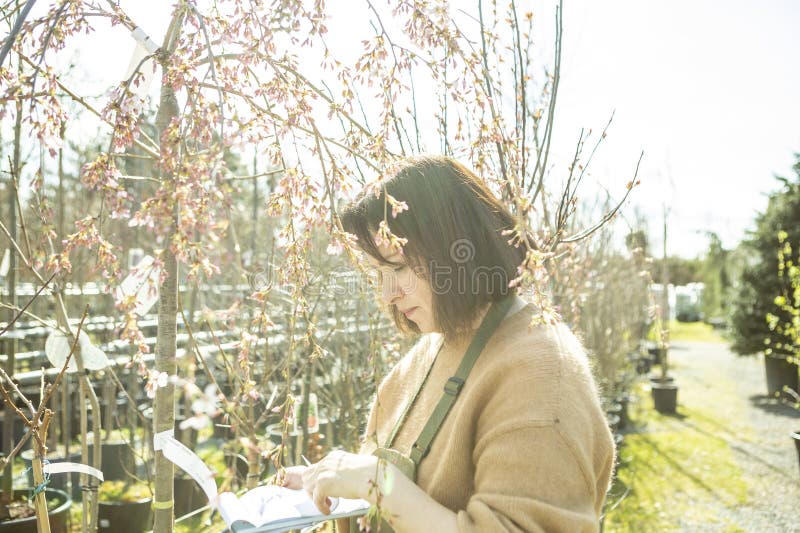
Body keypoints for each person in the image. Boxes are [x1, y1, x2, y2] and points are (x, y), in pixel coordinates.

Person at [279, 155, 616, 532]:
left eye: (399, 267)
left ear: (458, 249)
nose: (388, 294)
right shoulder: (427, 354)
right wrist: (327, 486)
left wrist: (380, 483)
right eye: (379, 273)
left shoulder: (542, 372)